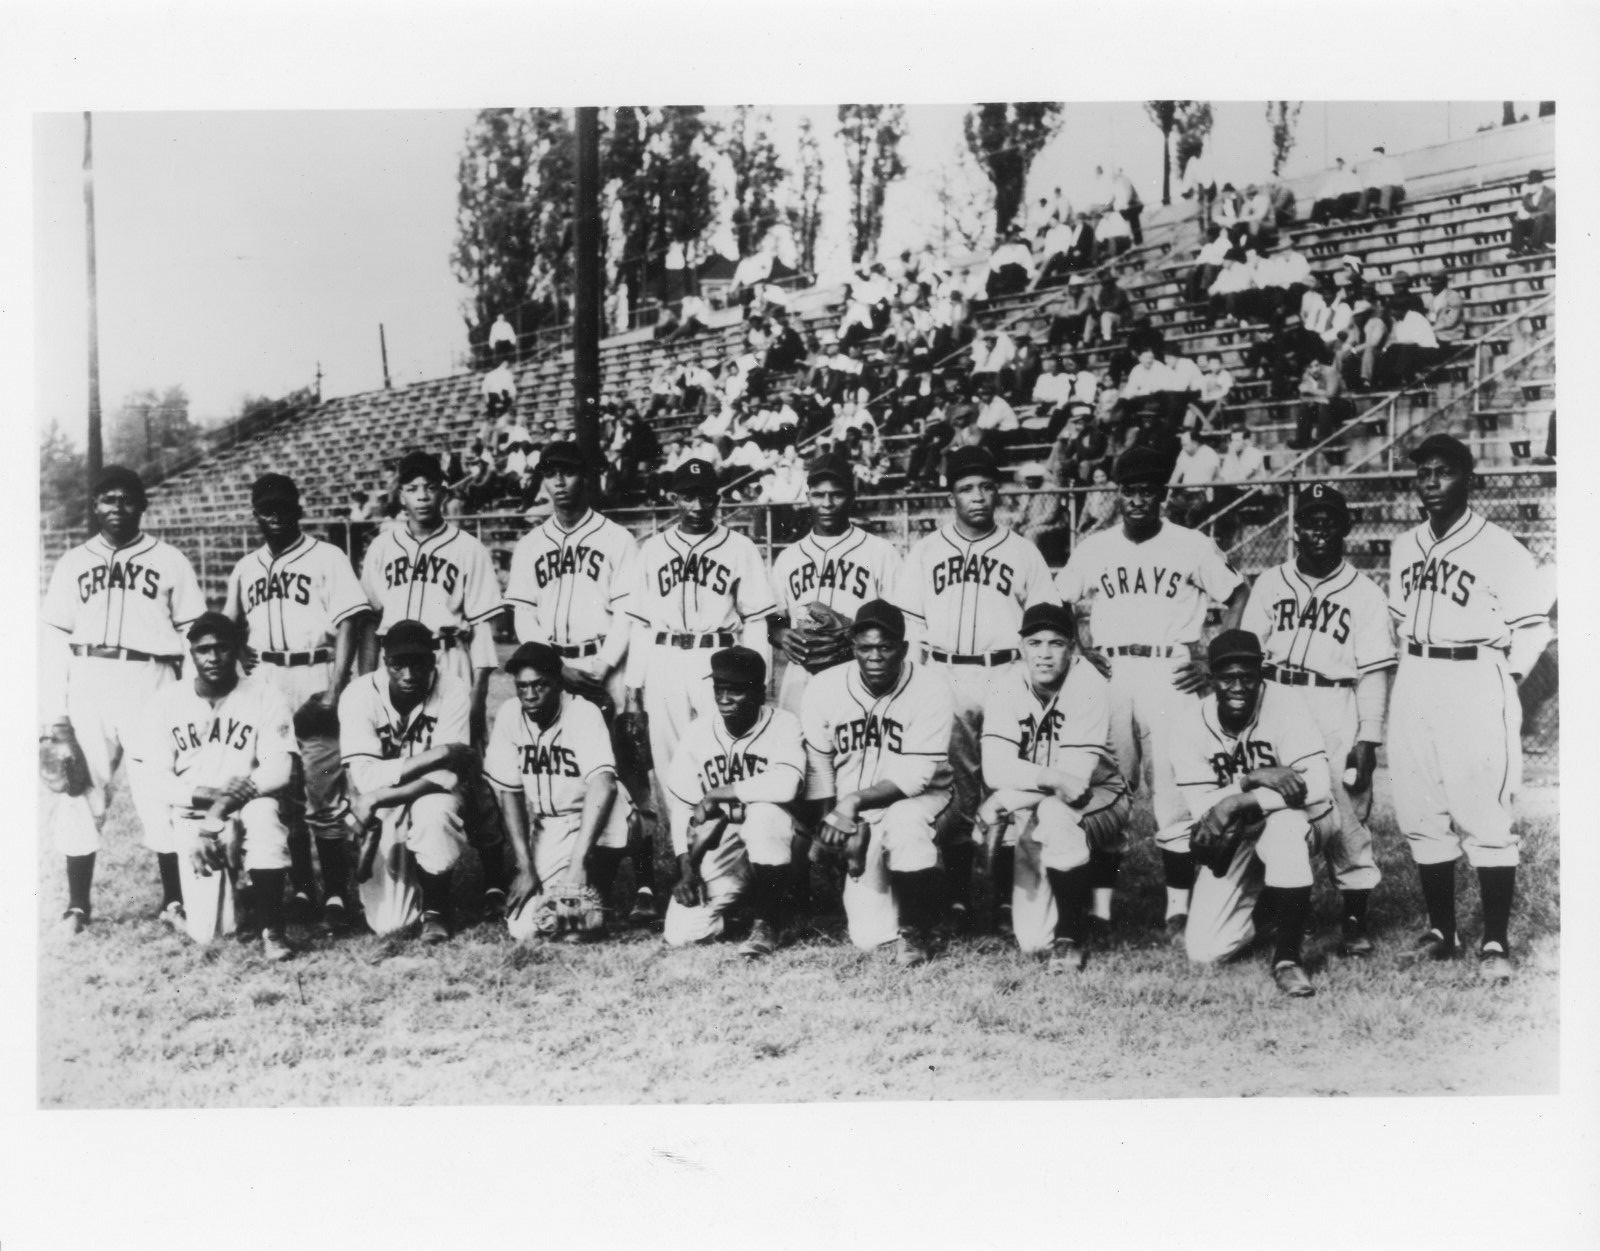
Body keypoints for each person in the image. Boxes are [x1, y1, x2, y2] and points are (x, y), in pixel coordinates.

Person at [1054, 446, 1250, 945]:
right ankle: (1099, 908)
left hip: (1170, 670)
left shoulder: (1191, 544)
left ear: (1162, 495)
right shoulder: (1095, 547)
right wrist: (1078, 651)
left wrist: (1215, 657)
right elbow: (1057, 600)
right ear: (1117, 494)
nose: (1138, 500)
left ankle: (1178, 908)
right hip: (1113, 671)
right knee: (1109, 790)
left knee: (1174, 792)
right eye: (1129, 491)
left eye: (1148, 491)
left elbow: (1238, 593)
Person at [1387, 434, 1552, 983]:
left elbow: (1533, 630)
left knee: (1484, 812)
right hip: (1415, 675)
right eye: (1423, 473)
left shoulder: (1500, 546)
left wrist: (1505, 683)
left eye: (1444, 472)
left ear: (1469, 479)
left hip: (1475, 675)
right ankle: (1442, 930)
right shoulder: (1404, 545)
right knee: (1420, 805)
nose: (1431, 483)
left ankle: (1496, 941)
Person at [893, 446, 1057, 930]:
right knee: (960, 791)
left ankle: (1006, 899)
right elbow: (910, 626)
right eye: (966, 488)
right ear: (951, 495)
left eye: (986, 486)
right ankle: (962, 896)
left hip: (1006, 673)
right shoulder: (925, 551)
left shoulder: (1022, 550)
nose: (978, 497)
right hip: (945, 675)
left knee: (1008, 782)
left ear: (998, 491)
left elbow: (1046, 618)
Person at [41, 465, 207, 934]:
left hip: (149, 677)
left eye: (127, 499)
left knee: (159, 787)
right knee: (80, 788)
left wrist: (188, 699)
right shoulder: (72, 562)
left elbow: (192, 632)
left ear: (143, 505)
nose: (118, 508)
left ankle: (174, 900)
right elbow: (54, 640)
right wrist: (56, 714)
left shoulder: (170, 559)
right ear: (95, 506)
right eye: (108, 499)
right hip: (89, 677)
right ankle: (77, 906)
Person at [504, 441, 660, 922]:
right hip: (554, 670)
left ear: (586, 479)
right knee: (574, 771)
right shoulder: (531, 544)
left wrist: (602, 666)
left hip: (603, 666)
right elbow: (522, 613)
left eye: (569, 473)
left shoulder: (616, 539)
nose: (558, 482)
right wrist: (554, 666)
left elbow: (629, 613)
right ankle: (594, 876)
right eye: (550, 473)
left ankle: (650, 884)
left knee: (630, 772)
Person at [1241, 483, 1395, 955]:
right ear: (1296, 529)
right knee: (1278, 802)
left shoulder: (1366, 594)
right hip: (1276, 698)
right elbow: (1247, 653)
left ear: (1346, 528)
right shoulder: (1270, 582)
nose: (1320, 530)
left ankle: (1354, 918)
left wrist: (1368, 738)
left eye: (1330, 521)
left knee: (1346, 812)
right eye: (1311, 521)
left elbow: (1372, 674)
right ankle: (1284, 905)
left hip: (1333, 702)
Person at [358, 449, 511, 911]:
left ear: (444, 491)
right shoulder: (383, 547)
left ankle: (495, 875)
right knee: (402, 762)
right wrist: (368, 680)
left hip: (449, 656)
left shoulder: (467, 547)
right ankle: (413, 871)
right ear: (399, 495)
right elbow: (370, 618)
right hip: (399, 667)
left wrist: (480, 691)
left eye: (430, 487)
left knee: (472, 769)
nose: (422, 496)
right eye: (412, 488)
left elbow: (483, 623)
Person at [224, 473, 370, 930]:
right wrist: (237, 648)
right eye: (267, 510)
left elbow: (350, 622)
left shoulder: (327, 556)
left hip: (314, 671)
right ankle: (304, 888)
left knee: (323, 790)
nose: (276, 517)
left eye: (284, 508)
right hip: (267, 680)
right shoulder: (246, 567)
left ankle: (336, 896)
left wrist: (335, 688)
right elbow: (228, 624)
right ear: (256, 515)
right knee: (282, 793)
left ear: (298, 509)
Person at [1170, 630, 1339, 997]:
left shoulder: (1285, 703)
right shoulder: (1187, 725)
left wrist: (1238, 800)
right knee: (1205, 951)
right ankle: (1270, 911)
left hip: (1308, 817)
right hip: (1242, 832)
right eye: (1227, 677)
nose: (1238, 686)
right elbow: (1204, 810)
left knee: (1283, 831)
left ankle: (1288, 959)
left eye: (1247, 676)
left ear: (1260, 674)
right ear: (1211, 679)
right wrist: (1251, 780)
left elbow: (1319, 784)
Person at [621, 458, 778, 828]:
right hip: (664, 655)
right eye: (688, 498)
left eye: (705, 497)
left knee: (721, 750)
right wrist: (632, 690)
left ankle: (723, 846)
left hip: (717, 655)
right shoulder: (653, 549)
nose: (697, 507)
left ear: (717, 498)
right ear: (674, 498)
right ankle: (682, 850)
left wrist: (756, 678)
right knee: (669, 759)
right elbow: (641, 625)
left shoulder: (740, 548)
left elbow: (757, 619)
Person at [800, 601, 954, 964]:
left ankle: (915, 931)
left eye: (886, 647)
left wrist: (850, 802)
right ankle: (918, 885)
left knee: (905, 823)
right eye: (866, 647)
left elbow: (915, 779)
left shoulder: (931, 687)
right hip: (856, 811)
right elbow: (820, 762)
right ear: (853, 648)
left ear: (903, 648)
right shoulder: (825, 687)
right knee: (869, 936)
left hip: (924, 799)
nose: (875, 657)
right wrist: (831, 826)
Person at [977, 603, 1131, 966]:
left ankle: (1071, 935)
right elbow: (994, 768)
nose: (1044, 654)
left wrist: (1003, 801)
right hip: (1037, 796)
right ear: (1021, 648)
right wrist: (1030, 785)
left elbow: (1075, 783)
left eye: (1056, 643)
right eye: (1034, 643)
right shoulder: (1005, 686)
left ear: (1073, 648)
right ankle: (1059, 918)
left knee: (1057, 812)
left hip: (1103, 794)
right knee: (1031, 941)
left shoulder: (1089, 683)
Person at [139, 612, 297, 957]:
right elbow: (155, 779)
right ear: (191, 653)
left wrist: (223, 805)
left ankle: (273, 928)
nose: (213, 658)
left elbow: (280, 767)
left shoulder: (265, 695)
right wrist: (205, 796)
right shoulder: (167, 700)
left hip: (246, 804)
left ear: (238, 650)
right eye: (204, 650)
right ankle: (228, 901)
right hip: (195, 816)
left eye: (223, 648)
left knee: (265, 814)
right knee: (212, 932)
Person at [661, 647, 807, 955]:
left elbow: (787, 785)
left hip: (777, 837)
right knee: (682, 933)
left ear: (759, 690)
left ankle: (769, 920)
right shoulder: (698, 731)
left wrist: (720, 793)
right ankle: (743, 902)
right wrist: (686, 868)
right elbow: (683, 807)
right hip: (725, 844)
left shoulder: (784, 724)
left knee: (764, 814)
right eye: (719, 688)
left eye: (736, 690)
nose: (724, 698)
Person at [338, 620, 475, 942]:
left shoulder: (453, 689)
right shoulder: (359, 694)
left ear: (434, 660)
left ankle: (436, 910)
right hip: (382, 798)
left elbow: (447, 775)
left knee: (436, 812)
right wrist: (437, 753)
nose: (409, 674)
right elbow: (365, 776)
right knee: (391, 924)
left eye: (419, 663)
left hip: (424, 792)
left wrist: (377, 798)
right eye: (399, 664)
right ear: (385, 662)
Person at [486, 642, 631, 943]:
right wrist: (525, 867)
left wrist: (577, 866)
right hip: (549, 825)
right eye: (522, 686)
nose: (530, 695)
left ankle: (596, 898)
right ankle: (572, 906)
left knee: (616, 806)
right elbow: (509, 793)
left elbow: (603, 782)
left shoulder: (583, 712)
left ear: (559, 684)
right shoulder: (509, 715)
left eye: (540, 685)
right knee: (524, 927)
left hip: (591, 817)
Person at [1507, 170, 1555, 256]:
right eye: (1529, 184)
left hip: (1548, 229)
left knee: (1542, 218)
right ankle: (1516, 249)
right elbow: (1523, 213)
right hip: (1534, 229)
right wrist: (1520, 216)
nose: (1530, 187)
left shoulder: (1551, 194)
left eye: (1533, 184)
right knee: (1517, 222)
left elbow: (1549, 213)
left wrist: (1530, 215)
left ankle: (1534, 247)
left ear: (1541, 183)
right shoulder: (1527, 197)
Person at [1310, 157, 1362, 225]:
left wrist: (1338, 195)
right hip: (1338, 203)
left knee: (1343, 197)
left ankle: (1336, 219)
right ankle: (1315, 223)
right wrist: (1320, 197)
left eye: (1341, 162)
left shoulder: (1351, 174)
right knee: (1319, 201)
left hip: (1349, 203)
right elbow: (1328, 190)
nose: (1339, 164)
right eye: (1338, 162)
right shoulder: (1335, 176)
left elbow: (1356, 191)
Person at [1359, 145, 1406, 218]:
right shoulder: (1373, 166)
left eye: (1377, 155)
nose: (1375, 157)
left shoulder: (1392, 163)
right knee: (1366, 191)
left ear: (1383, 154)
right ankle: (1361, 212)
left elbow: (1399, 180)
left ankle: (1384, 210)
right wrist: (1372, 186)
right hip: (1383, 193)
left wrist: (1381, 184)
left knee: (1386, 187)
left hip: (1397, 191)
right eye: (1374, 155)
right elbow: (1369, 182)